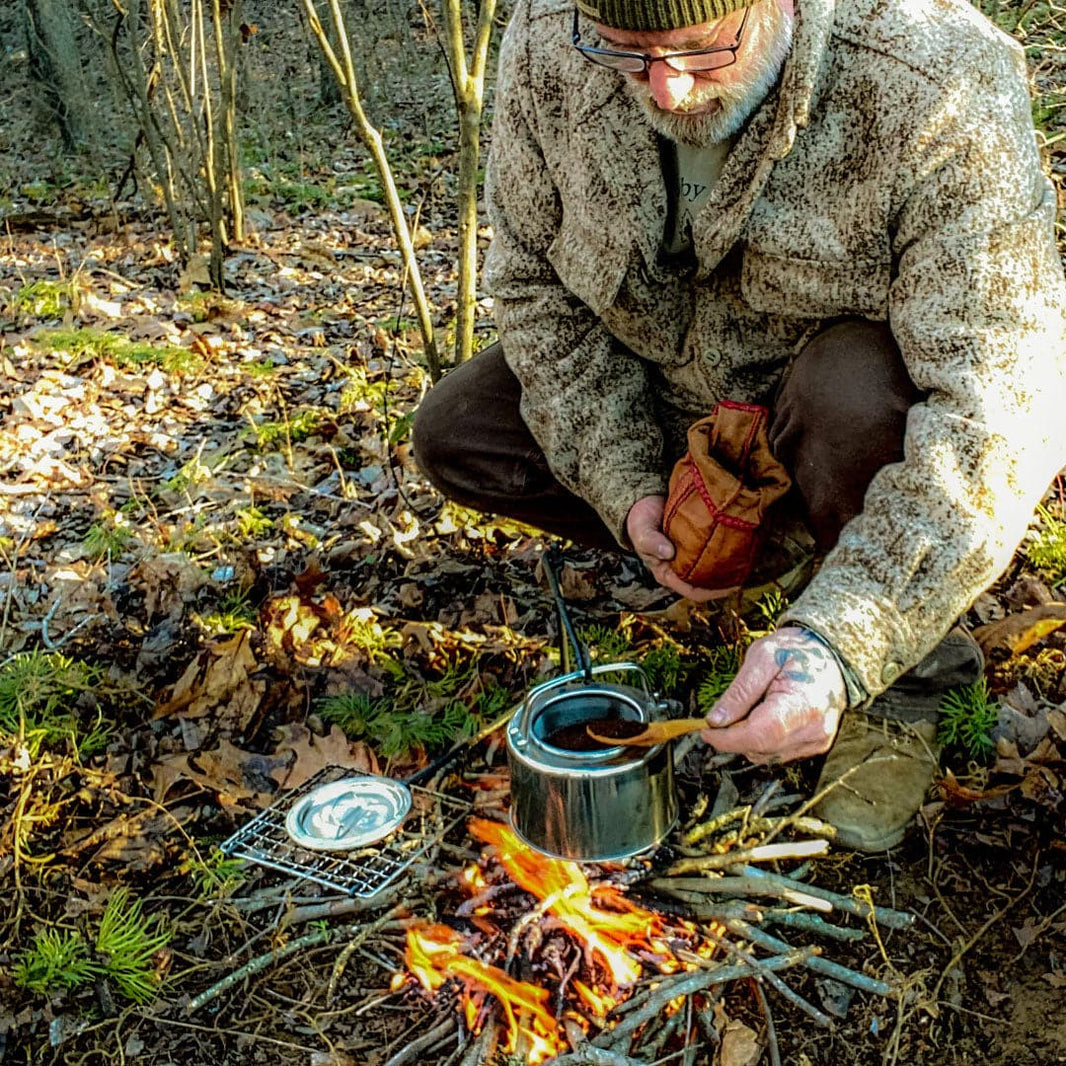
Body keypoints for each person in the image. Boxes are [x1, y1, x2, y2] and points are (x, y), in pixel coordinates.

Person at [413, 0, 1066, 849]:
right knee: (460, 429)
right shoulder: (549, 39)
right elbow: (536, 286)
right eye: (624, 53)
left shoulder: (935, 80)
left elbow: (1000, 408)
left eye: (698, 48)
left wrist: (846, 634)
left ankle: (909, 673)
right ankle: (724, 550)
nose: (667, 90)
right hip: (671, 391)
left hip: (828, 420)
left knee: (856, 391)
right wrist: (627, 486)